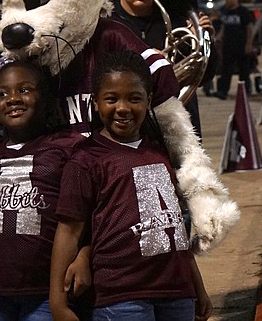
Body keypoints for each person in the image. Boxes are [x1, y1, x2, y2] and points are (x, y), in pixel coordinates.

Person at [49, 50, 212, 321]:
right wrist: (57, 301)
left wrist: (197, 285)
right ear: (96, 102)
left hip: (176, 291)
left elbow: (172, 225)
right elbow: (68, 231)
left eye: (134, 98)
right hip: (121, 296)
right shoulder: (86, 159)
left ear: (148, 100)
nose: (123, 108)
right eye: (111, 99)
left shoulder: (158, 151)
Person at [0, 61, 89, 321]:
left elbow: (89, 218)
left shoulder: (70, 149)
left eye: (24, 90)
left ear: (46, 100)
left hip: (47, 291)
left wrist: (85, 255)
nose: (12, 99)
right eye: (2, 93)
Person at [110, 0, 217, 137]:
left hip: (179, 119)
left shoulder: (178, 16)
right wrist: (149, 63)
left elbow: (204, 75)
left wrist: (206, 40)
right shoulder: (108, 20)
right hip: (128, 121)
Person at [215, 0, 255, 99]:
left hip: (241, 44)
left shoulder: (243, 11)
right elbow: (223, 27)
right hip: (228, 45)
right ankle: (223, 91)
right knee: (226, 69)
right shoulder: (225, 12)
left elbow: (249, 28)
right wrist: (218, 38)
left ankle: (245, 91)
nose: (227, 0)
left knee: (244, 70)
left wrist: (249, 44)